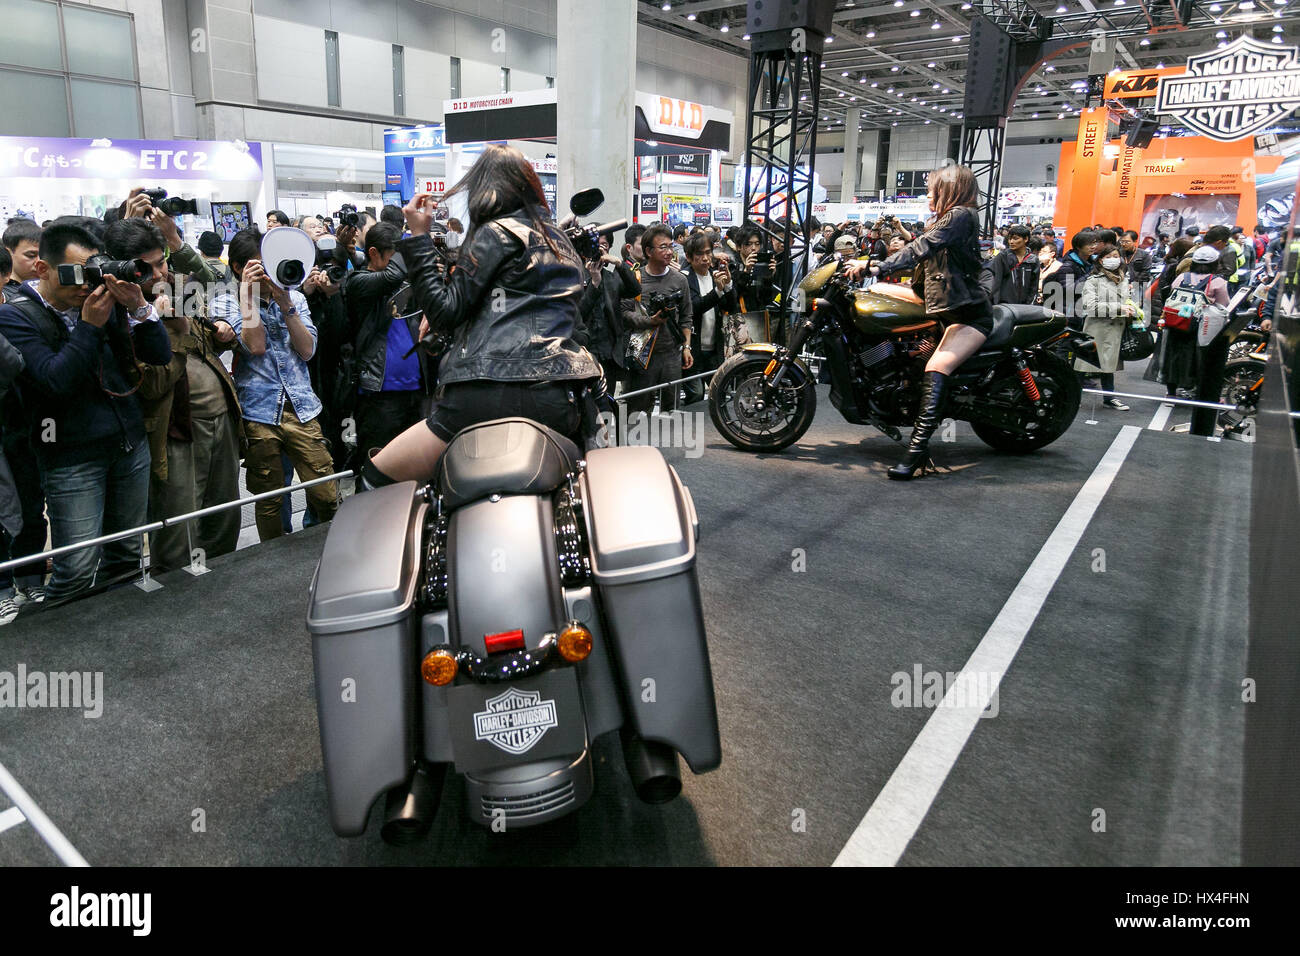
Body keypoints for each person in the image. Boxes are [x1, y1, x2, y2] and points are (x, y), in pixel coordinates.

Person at [363, 145, 601, 487]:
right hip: (559, 396)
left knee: (375, 477)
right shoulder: (559, 242)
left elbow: (445, 311)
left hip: (484, 393)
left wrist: (417, 238)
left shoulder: (495, 233)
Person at [0, 223, 173, 601]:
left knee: (127, 555)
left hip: (128, 444)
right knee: (76, 568)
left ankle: (122, 637)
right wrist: (90, 326)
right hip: (70, 456)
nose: (85, 284)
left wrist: (138, 308)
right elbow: (54, 382)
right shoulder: (15, 316)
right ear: (43, 269)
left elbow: (159, 355)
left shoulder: (98, 299)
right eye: (74, 273)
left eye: (91, 271)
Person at [845, 164, 994, 480]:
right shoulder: (947, 220)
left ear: (949, 191)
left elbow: (920, 248)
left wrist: (876, 266)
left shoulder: (960, 216)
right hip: (942, 310)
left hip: (967, 316)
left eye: (932, 189)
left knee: (935, 368)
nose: (928, 194)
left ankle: (916, 455)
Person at [209, 229, 339, 540]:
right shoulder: (226, 303)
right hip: (259, 414)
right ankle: (272, 564)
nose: (268, 272)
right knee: (269, 501)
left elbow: (307, 350)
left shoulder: (293, 296)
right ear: (240, 268)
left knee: (326, 492)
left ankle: (333, 545)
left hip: (301, 408)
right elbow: (255, 346)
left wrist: (286, 305)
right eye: (259, 265)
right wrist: (247, 296)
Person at [340, 221, 429, 493]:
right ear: (374, 253)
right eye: (394, 257)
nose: (400, 265)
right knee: (377, 473)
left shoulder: (405, 281)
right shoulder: (359, 282)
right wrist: (415, 240)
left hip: (416, 391)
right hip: (379, 395)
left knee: (415, 471)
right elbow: (390, 277)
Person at [621, 222, 693, 421]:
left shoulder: (680, 280)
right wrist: (649, 321)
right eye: (663, 247)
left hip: (671, 353)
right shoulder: (635, 278)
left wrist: (686, 347)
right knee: (638, 412)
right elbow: (625, 314)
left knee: (671, 412)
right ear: (648, 251)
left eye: (671, 246)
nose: (670, 251)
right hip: (641, 352)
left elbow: (686, 317)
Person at [1169, 245, 1231, 436]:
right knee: (1201, 359)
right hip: (1202, 328)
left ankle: (1172, 391)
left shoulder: (1181, 277)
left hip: (1179, 325)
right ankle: (1196, 391)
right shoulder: (1218, 282)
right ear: (1215, 263)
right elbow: (1224, 305)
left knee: (1177, 357)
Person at [1074, 242, 1135, 410]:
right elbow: (1090, 306)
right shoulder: (1093, 280)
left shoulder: (1124, 279)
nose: (1112, 260)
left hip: (1116, 328)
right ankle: (1074, 397)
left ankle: (1109, 398)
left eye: (1116, 257)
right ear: (1100, 260)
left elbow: (1128, 301)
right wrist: (1119, 308)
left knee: (1109, 365)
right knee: (1084, 365)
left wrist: (1132, 309)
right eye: (1108, 257)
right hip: (1096, 328)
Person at [683, 232, 737, 405]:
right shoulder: (684, 278)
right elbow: (694, 307)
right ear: (689, 257)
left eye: (708, 252)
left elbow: (731, 307)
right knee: (697, 394)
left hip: (715, 347)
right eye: (700, 254)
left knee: (720, 392)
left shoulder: (715, 275)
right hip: (692, 348)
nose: (706, 258)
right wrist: (718, 291)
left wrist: (728, 285)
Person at [980, 224, 1039, 306]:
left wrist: (1030, 305)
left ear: (1026, 239)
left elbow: (1034, 286)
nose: (1011, 242)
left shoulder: (1033, 260)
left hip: (1024, 307)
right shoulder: (1003, 257)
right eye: (1009, 238)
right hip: (1004, 306)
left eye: (1015, 238)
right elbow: (996, 283)